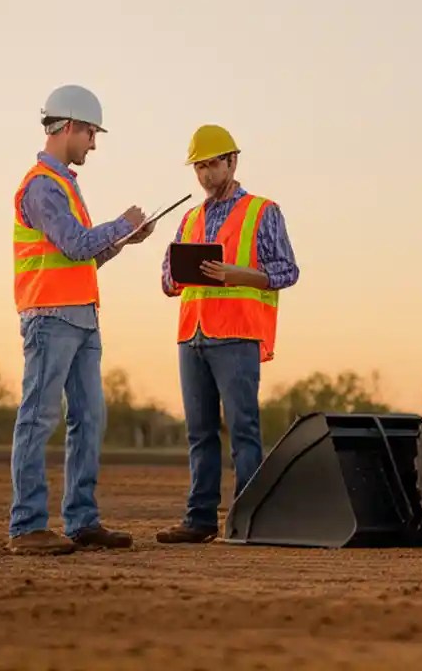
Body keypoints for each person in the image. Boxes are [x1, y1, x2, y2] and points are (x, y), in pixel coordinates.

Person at [7, 84, 156, 555]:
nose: (93, 142)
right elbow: (74, 244)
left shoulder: (66, 186)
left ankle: (82, 520)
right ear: (68, 127)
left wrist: (122, 240)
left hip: (82, 319)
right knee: (39, 417)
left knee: (90, 418)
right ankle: (27, 526)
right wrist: (119, 223)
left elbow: (82, 258)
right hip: (50, 319)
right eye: (90, 132)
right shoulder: (42, 187)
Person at [154, 124, 300, 544]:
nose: (204, 175)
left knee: (243, 431)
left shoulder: (262, 211)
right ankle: (199, 520)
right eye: (198, 167)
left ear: (233, 162)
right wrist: (175, 276)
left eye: (211, 165)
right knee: (199, 433)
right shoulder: (189, 218)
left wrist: (239, 275)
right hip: (193, 335)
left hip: (236, 335)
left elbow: (287, 271)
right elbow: (167, 279)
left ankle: (248, 522)